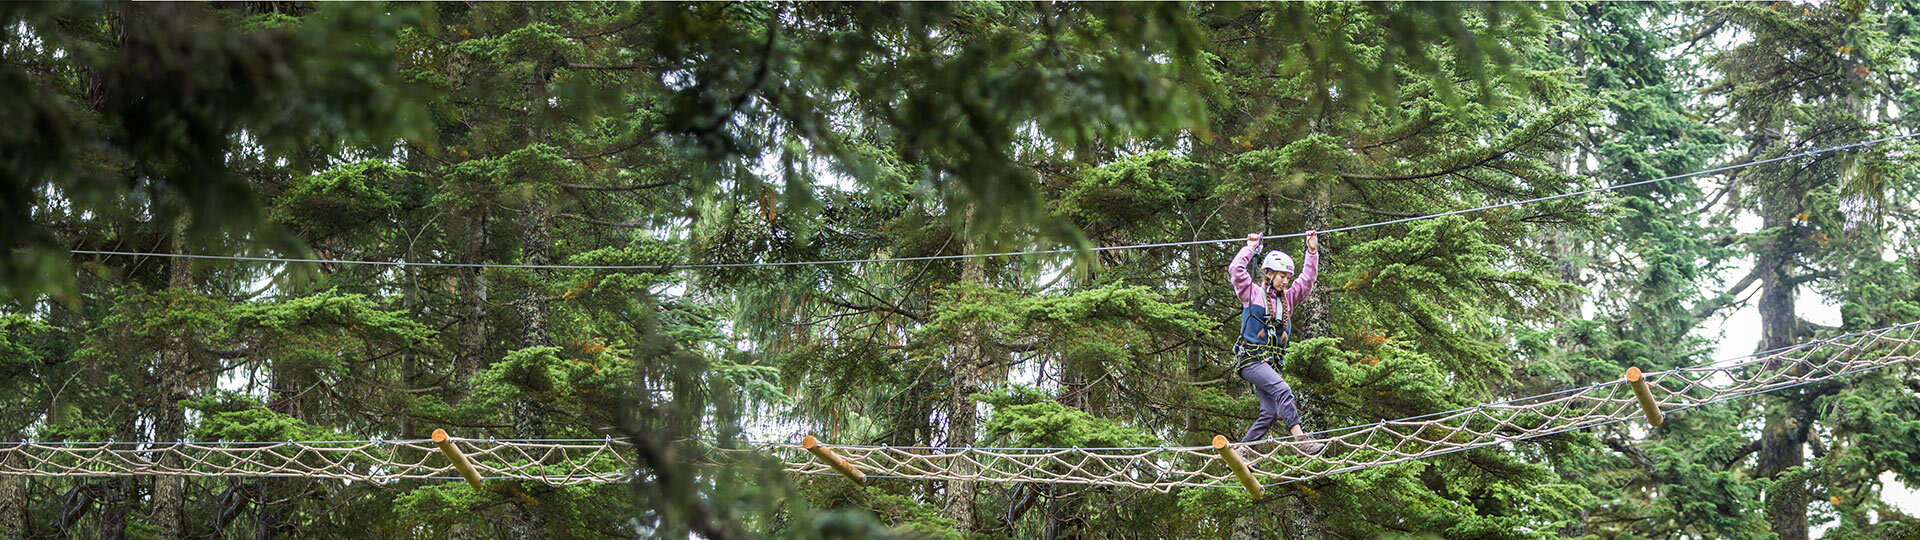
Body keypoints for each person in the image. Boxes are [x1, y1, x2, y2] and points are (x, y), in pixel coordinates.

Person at [1228, 230, 1324, 456]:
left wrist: (1312, 252)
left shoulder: (1288, 300)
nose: (1285, 281)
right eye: (1281, 275)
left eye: (1287, 277)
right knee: (1283, 389)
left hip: (1270, 365)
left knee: (1269, 413)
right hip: (1251, 361)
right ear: (1268, 273)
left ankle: (1242, 450)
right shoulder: (1252, 293)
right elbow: (1236, 270)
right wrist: (1250, 248)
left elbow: (1307, 280)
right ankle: (1300, 439)